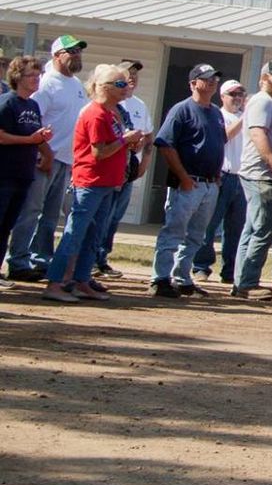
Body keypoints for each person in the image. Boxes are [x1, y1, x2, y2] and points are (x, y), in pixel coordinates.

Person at [42, 64, 146, 303]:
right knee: (74, 233)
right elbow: (99, 152)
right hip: (90, 182)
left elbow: (116, 145)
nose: (125, 87)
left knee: (94, 235)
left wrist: (130, 144)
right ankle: (55, 282)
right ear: (104, 87)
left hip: (108, 182)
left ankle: (81, 281)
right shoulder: (96, 113)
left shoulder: (113, 112)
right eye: (120, 84)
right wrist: (124, 140)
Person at [6, 34, 87, 281]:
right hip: (44, 158)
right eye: (70, 51)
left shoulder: (77, 85)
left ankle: (40, 260)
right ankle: (18, 260)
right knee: (31, 210)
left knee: (51, 215)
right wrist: (45, 153)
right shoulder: (47, 83)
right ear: (56, 55)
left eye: (78, 51)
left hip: (66, 158)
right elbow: (33, 122)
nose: (76, 55)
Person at [148, 63, 229, 297]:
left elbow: (218, 143)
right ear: (193, 83)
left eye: (215, 78)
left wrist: (216, 177)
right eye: (207, 79)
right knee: (174, 231)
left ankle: (182, 277)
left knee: (197, 235)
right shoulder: (181, 110)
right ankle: (160, 278)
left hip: (209, 183)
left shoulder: (215, 112)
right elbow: (165, 144)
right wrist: (183, 177)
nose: (213, 82)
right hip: (187, 183)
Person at [232, 60, 272, 299]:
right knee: (264, 229)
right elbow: (257, 134)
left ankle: (242, 282)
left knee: (253, 229)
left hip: (263, 174)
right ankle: (247, 283)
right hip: (261, 174)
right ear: (263, 79)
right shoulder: (261, 101)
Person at [0, 55, 55, 284]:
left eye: (38, 74)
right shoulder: (7, 103)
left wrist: (46, 148)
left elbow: (34, 134)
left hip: (23, 175)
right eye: (31, 75)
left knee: (6, 227)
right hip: (4, 174)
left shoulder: (32, 105)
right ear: (17, 77)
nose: (36, 79)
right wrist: (30, 140)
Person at [94, 59, 151, 276]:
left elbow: (148, 137)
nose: (132, 77)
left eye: (136, 74)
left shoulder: (139, 105)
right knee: (102, 214)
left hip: (128, 165)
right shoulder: (108, 105)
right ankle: (91, 259)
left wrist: (143, 165)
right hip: (109, 164)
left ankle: (102, 257)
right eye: (128, 73)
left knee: (115, 215)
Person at [192, 79, 250, 284]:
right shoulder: (218, 115)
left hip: (242, 177)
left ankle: (230, 271)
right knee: (209, 224)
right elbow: (223, 137)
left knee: (236, 229)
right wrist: (244, 118)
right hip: (222, 175)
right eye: (232, 94)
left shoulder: (248, 118)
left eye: (240, 94)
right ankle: (201, 266)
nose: (237, 98)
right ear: (223, 96)